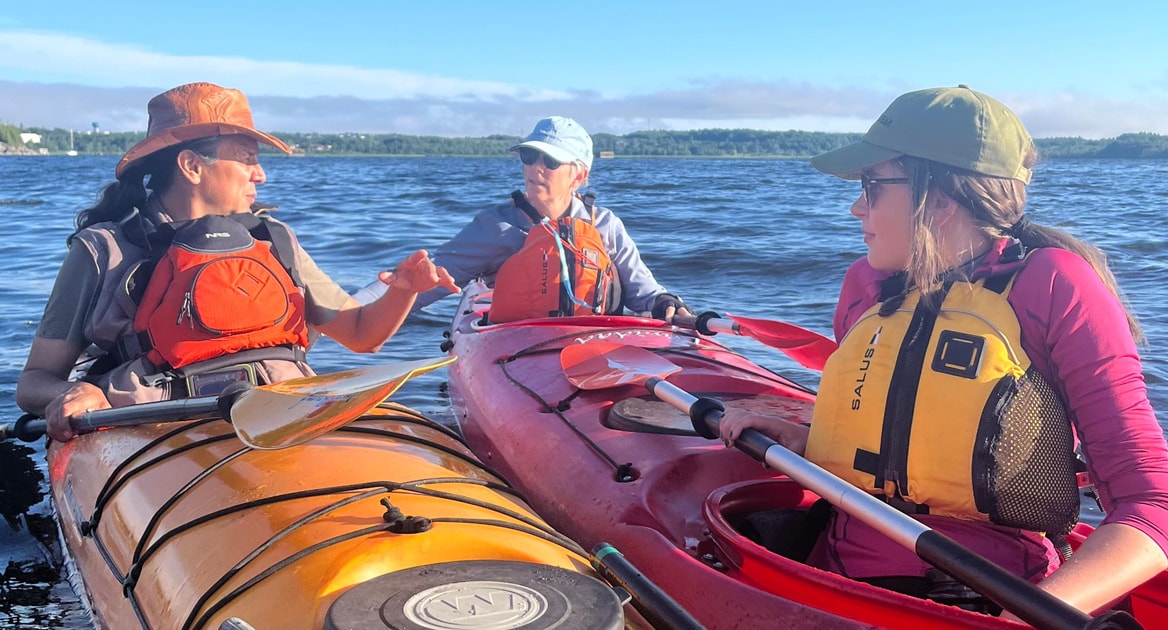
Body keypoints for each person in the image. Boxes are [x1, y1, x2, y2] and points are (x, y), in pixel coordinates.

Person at [720, 85, 1168, 618]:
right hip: (832, 578)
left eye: (873, 187)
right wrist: (808, 443)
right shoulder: (866, 286)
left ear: (939, 198)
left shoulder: (1055, 286)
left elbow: (1154, 511)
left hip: (985, 597)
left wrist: (1028, 615)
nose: (855, 208)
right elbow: (897, 441)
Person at [16, 82, 457, 442]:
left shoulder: (274, 241)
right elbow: (33, 382)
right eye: (247, 159)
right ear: (191, 165)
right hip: (151, 434)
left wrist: (403, 291)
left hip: (275, 419)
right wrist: (76, 392)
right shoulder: (104, 250)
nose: (260, 175)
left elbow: (363, 335)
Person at [354, 116, 689, 322]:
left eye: (550, 161)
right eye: (530, 156)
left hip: (592, 347)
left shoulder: (605, 226)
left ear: (579, 176)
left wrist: (666, 303)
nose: (535, 167)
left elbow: (644, 293)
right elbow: (421, 283)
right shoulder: (496, 228)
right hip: (517, 349)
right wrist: (342, 313)